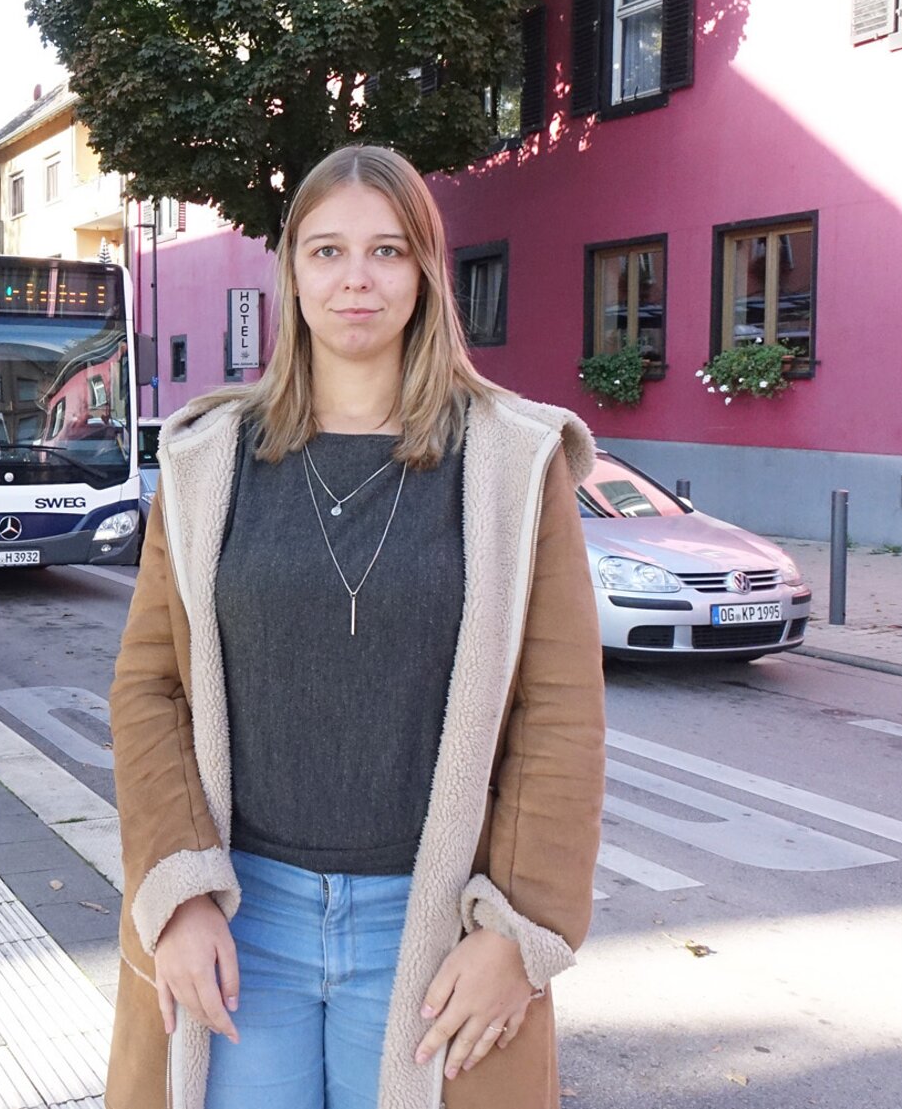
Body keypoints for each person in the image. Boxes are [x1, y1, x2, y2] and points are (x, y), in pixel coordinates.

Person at [104, 144, 606, 1109]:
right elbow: (149, 687)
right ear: (292, 274)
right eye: (327, 251)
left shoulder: (511, 461)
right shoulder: (210, 460)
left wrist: (519, 931)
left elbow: (559, 715)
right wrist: (176, 890)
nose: (357, 279)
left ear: (425, 272)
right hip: (241, 921)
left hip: (435, 928)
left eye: (387, 250)